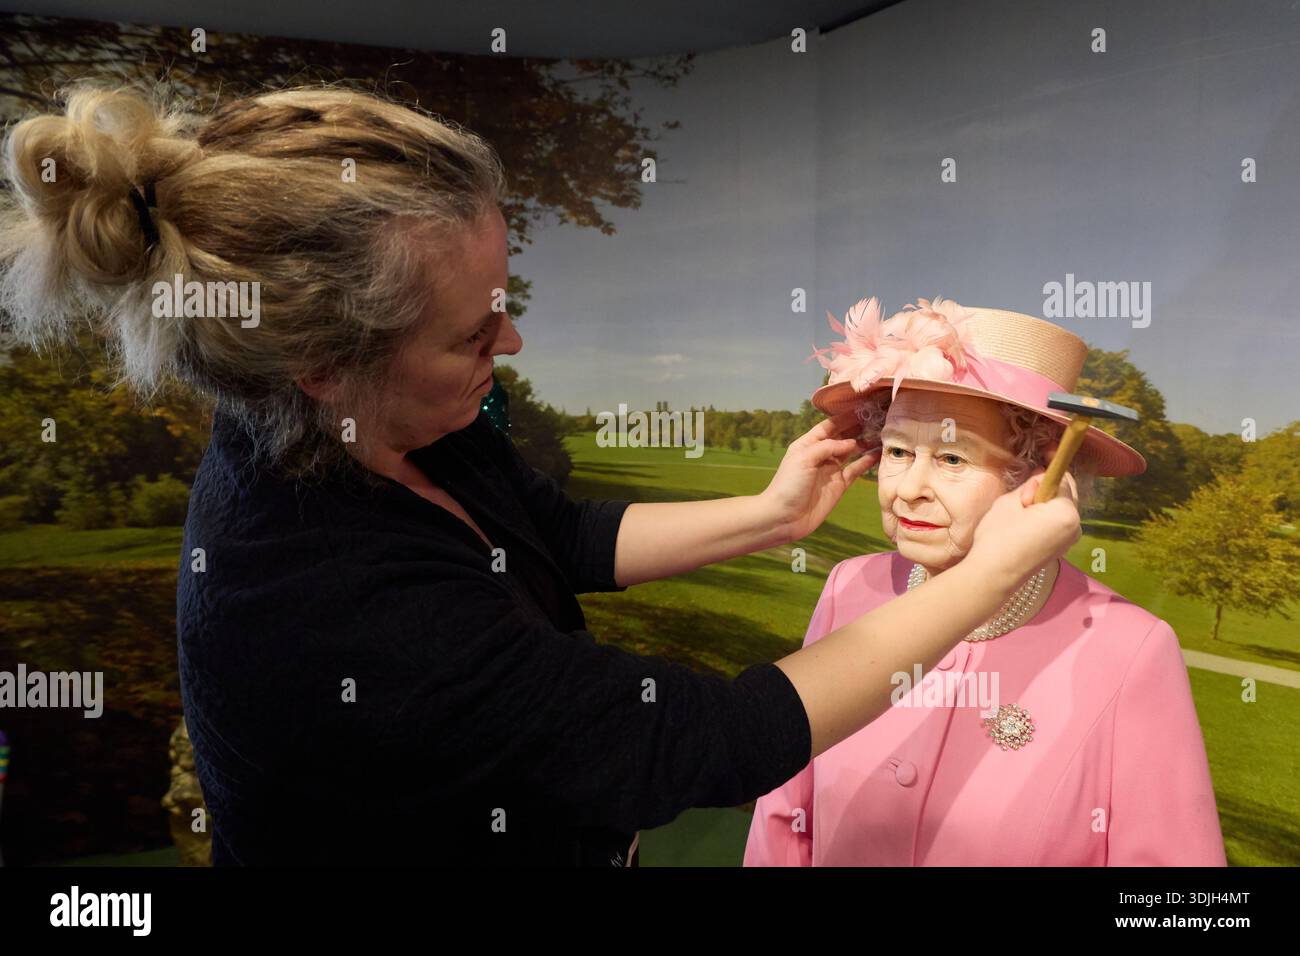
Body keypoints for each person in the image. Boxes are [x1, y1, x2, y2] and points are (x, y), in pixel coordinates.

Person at [0, 83, 1081, 866]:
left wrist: (766, 513)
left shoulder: (385, 422)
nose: (508, 343)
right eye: (473, 331)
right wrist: (976, 583)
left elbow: (549, 532)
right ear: (325, 366)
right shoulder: (323, 603)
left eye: (503, 299)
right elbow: (707, 738)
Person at [745, 297, 1227, 866]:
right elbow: (783, 810)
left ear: (1039, 479)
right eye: (898, 450)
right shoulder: (849, 587)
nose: (907, 488)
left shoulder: (1131, 649)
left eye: (952, 458)